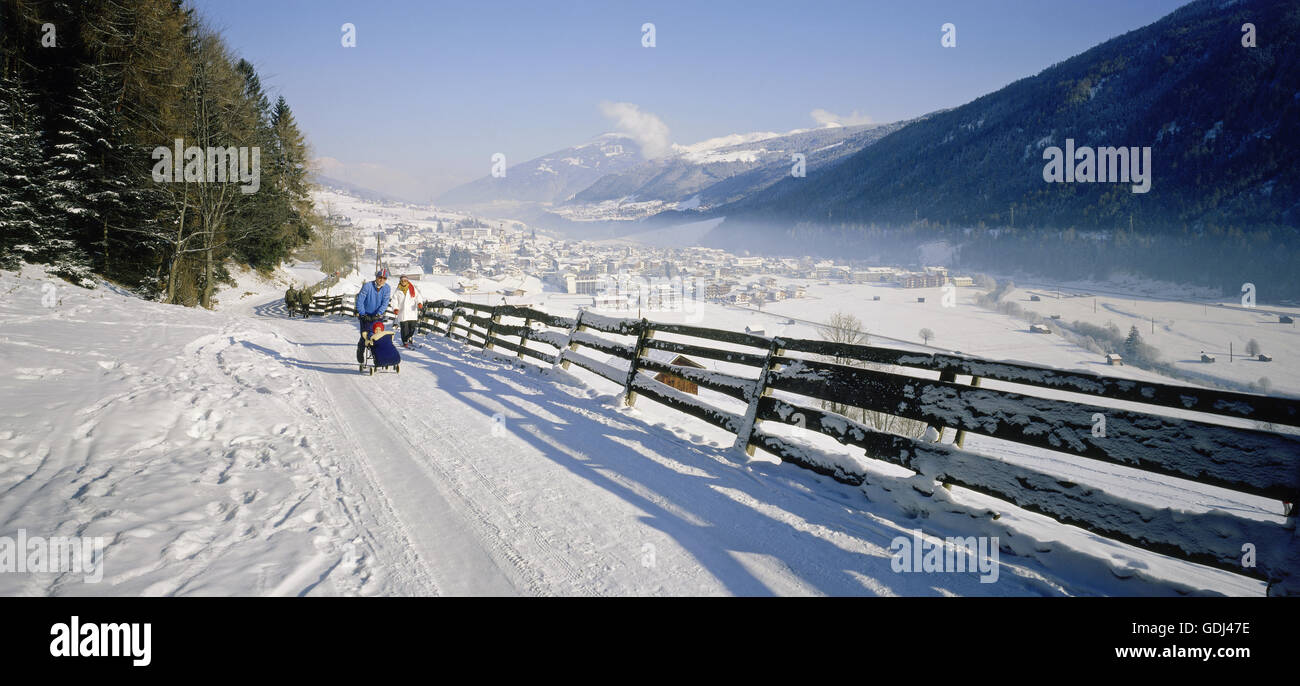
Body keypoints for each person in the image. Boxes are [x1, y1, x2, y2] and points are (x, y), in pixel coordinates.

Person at [355, 269, 392, 364]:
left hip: (377, 316)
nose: (382, 280)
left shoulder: (387, 288)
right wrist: (363, 314)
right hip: (365, 314)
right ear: (376, 277)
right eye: (380, 277)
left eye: (384, 278)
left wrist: (378, 314)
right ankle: (360, 350)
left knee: (377, 336)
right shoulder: (367, 286)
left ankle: (378, 356)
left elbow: (385, 303)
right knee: (365, 335)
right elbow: (360, 301)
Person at [389, 274, 423, 348]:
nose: (403, 282)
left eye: (405, 280)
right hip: (402, 312)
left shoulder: (412, 288)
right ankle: (405, 341)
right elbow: (394, 301)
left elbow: (418, 297)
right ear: (400, 281)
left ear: (407, 281)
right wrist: (395, 308)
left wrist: (419, 303)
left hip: (412, 312)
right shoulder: (397, 290)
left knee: (412, 327)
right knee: (404, 328)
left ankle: (409, 338)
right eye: (402, 280)